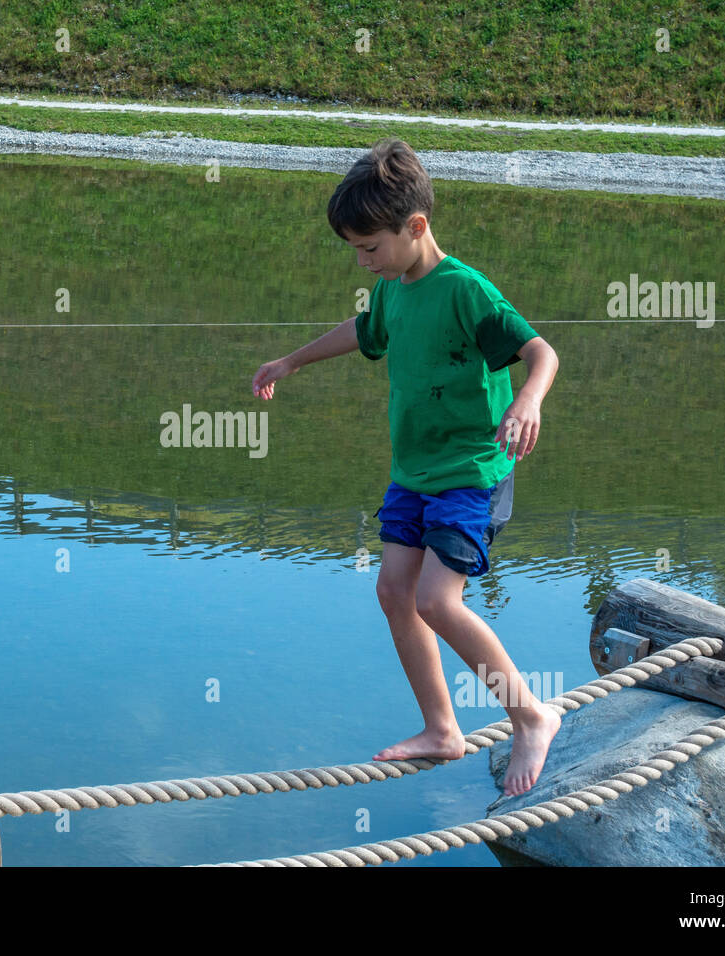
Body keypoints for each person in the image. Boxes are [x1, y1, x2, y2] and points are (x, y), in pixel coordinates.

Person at [251, 138, 562, 797]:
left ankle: (531, 714)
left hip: (473, 471)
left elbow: (541, 352)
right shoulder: (393, 289)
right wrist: (290, 362)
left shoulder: (465, 291)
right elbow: (361, 330)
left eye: (370, 248)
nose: (364, 263)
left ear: (415, 227)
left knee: (435, 599)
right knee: (394, 592)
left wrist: (528, 400)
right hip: (414, 472)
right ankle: (442, 729)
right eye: (356, 251)